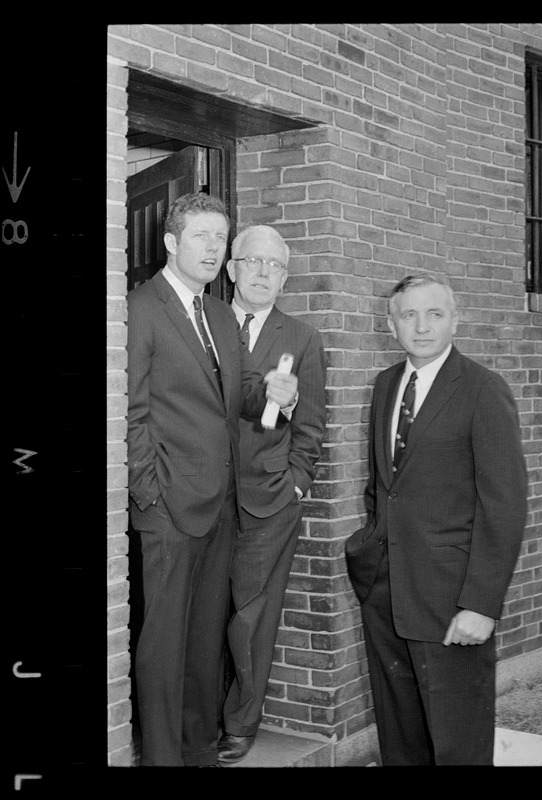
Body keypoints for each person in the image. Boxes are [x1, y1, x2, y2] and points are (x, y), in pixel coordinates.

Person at [127, 193, 298, 767]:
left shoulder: (220, 315)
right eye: (200, 236)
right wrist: (150, 493)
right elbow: (129, 412)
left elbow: (241, 395)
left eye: (220, 238)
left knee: (204, 645)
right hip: (169, 508)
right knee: (163, 646)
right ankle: (162, 759)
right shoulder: (139, 309)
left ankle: (197, 753)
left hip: (220, 507)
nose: (212, 248)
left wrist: (274, 395)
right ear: (170, 242)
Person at [345, 273, 528, 766]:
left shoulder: (483, 390)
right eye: (409, 315)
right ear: (391, 325)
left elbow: (504, 506)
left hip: (451, 601)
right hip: (385, 594)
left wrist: (481, 605)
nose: (421, 327)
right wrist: (369, 553)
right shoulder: (386, 385)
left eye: (434, 314)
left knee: (457, 744)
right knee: (401, 742)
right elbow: (383, 486)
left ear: (454, 320)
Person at [217, 225, 327, 765]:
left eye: (275, 265)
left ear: (285, 278)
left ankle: (240, 723)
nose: (263, 272)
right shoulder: (207, 324)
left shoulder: (302, 338)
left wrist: (297, 484)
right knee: (201, 612)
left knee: (251, 619)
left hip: (269, 501)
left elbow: (311, 427)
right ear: (231, 268)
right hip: (203, 497)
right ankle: (199, 714)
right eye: (252, 261)